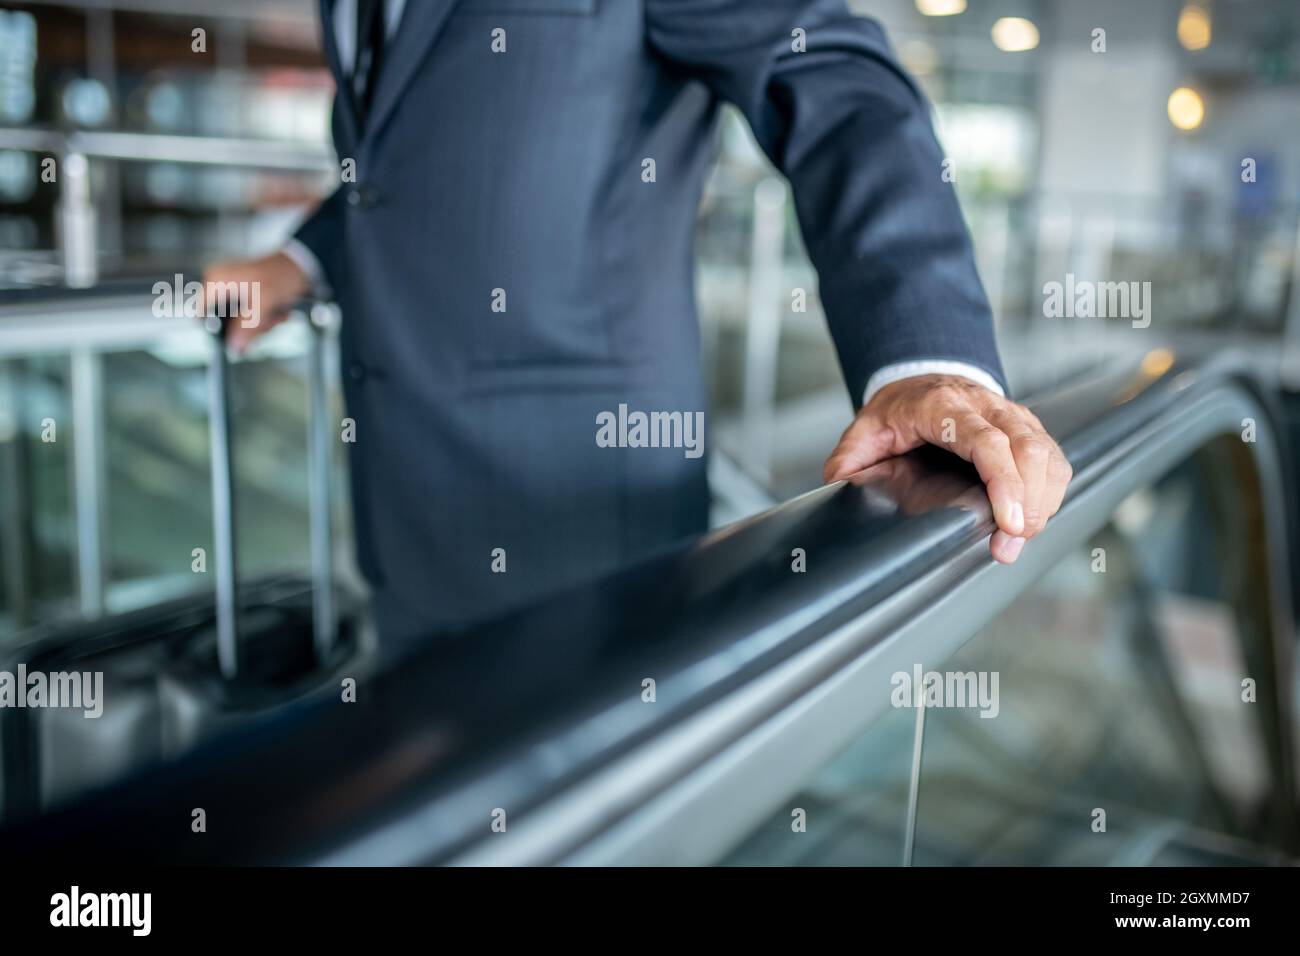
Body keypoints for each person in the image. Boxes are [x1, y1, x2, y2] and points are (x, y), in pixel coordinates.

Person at [204, 0, 1071, 650]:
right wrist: (306, 261)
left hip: (574, 522)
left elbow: (833, 81)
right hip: (403, 508)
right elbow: (402, 154)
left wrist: (924, 358)